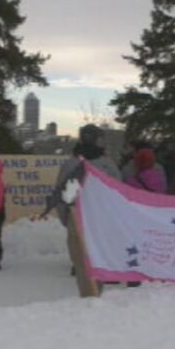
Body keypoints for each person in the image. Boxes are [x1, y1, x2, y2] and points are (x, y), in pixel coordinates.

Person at [52, 124, 121, 298]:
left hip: (83, 218)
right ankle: (92, 296)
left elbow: (61, 196)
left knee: (85, 259)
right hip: (94, 218)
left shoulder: (72, 164)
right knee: (92, 258)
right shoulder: (106, 165)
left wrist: (67, 219)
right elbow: (118, 193)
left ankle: (90, 295)